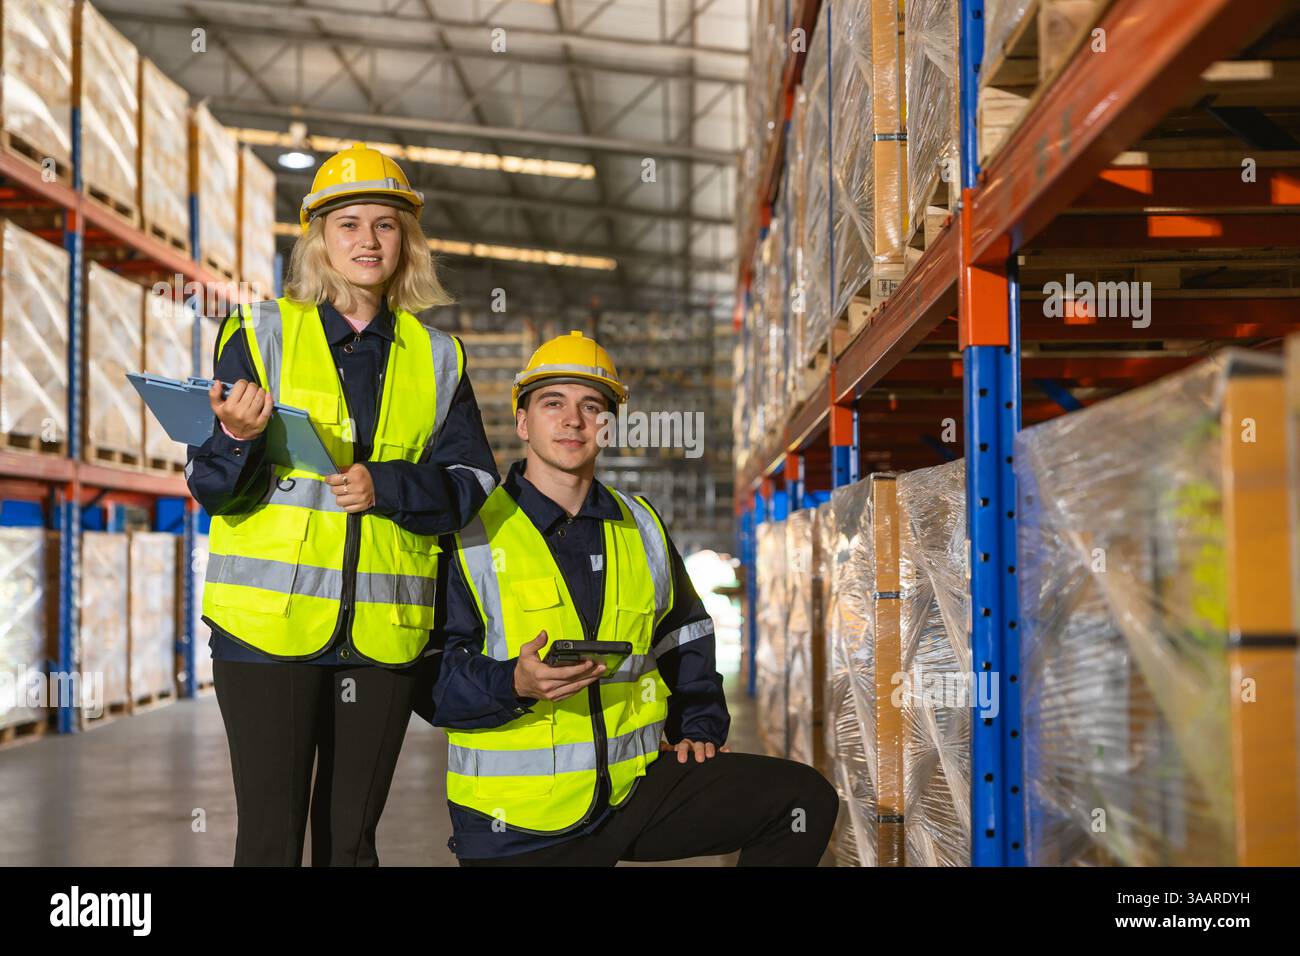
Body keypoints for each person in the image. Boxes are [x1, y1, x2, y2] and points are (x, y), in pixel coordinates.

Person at [185, 142, 499, 866]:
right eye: (348, 223)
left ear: (405, 242)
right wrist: (234, 439)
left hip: (384, 638)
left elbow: (471, 486)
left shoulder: (440, 357)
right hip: (265, 633)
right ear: (319, 239)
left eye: (385, 225)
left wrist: (385, 486)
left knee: (352, 844)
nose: (367, 239)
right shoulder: (258, 332)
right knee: (269, 841)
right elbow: (210, 489)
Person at [418, 331, 838, 865]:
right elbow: (431, 680)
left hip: (632, 789)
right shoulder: (471, 533)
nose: (573, 420)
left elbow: (684, 632)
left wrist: (697, 727)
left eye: (591, 406)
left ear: (608, 426)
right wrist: (514, 683)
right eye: (553, 404)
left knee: (801, 800)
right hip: (518, 823)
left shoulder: (639, 525)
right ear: (523, 422)